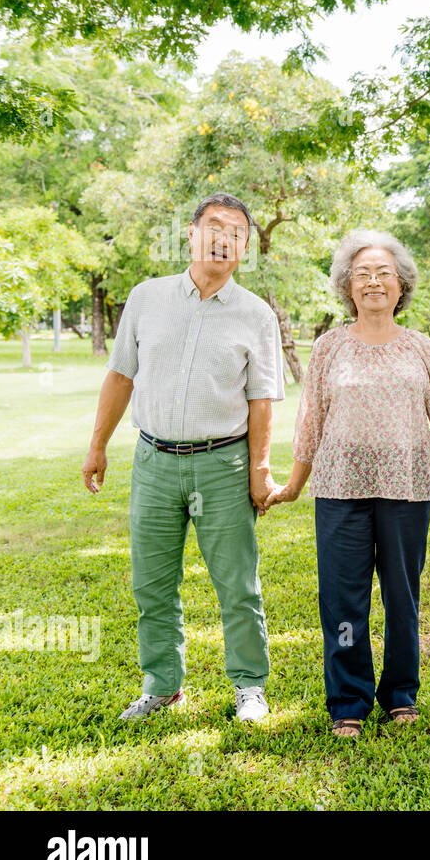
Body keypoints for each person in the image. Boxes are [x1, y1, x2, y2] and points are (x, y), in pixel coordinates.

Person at [264, 231, 430, 738]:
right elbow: (311, 421)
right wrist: (296, 484)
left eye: (383, 272)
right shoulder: (328, 347)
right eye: (362, 274)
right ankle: (349, 701)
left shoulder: (420, 348)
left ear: (401, 284)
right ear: (348, 287)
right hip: (340, 488)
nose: (374, 281)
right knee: (343, 601)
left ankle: (400, 694)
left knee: (402, 596)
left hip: (407, 487)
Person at [82, 192, 284, 723]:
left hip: (224, 465)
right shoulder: (146, 298)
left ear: (246, 249)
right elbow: (121, 374)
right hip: (153, 461)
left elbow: (261, 402)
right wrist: (98, 443)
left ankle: (249, 687)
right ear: (190, 234)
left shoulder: (256, 315)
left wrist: (260, 470)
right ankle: (163, 684)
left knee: (237, 585)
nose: (225, 239)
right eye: (215, 227)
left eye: (237, 233)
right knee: (151, 582)